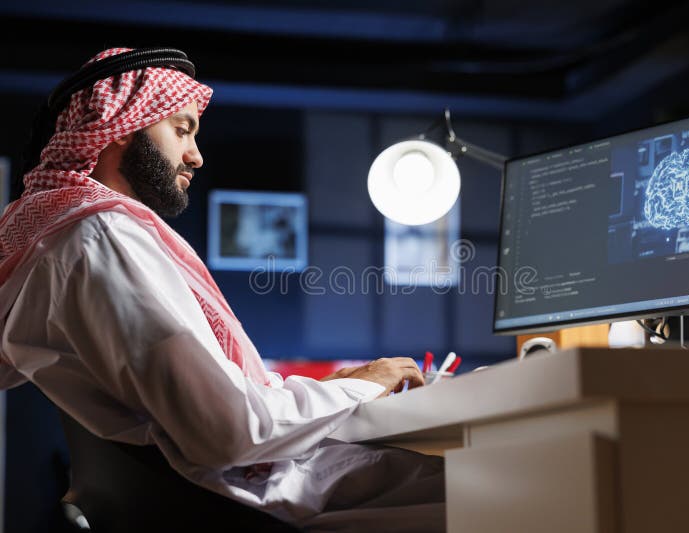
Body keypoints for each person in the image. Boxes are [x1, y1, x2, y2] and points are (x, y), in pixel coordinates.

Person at [0, 47, 444, 532]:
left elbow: (209, 402)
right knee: (488, 485)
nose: (196, 155)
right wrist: (365, 384)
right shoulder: (102, 238)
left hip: (235, 492)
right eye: (181, 129)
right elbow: (229, 430)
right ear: (123, 124)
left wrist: (329, 388)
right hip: (261, 500)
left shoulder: (67, 240)